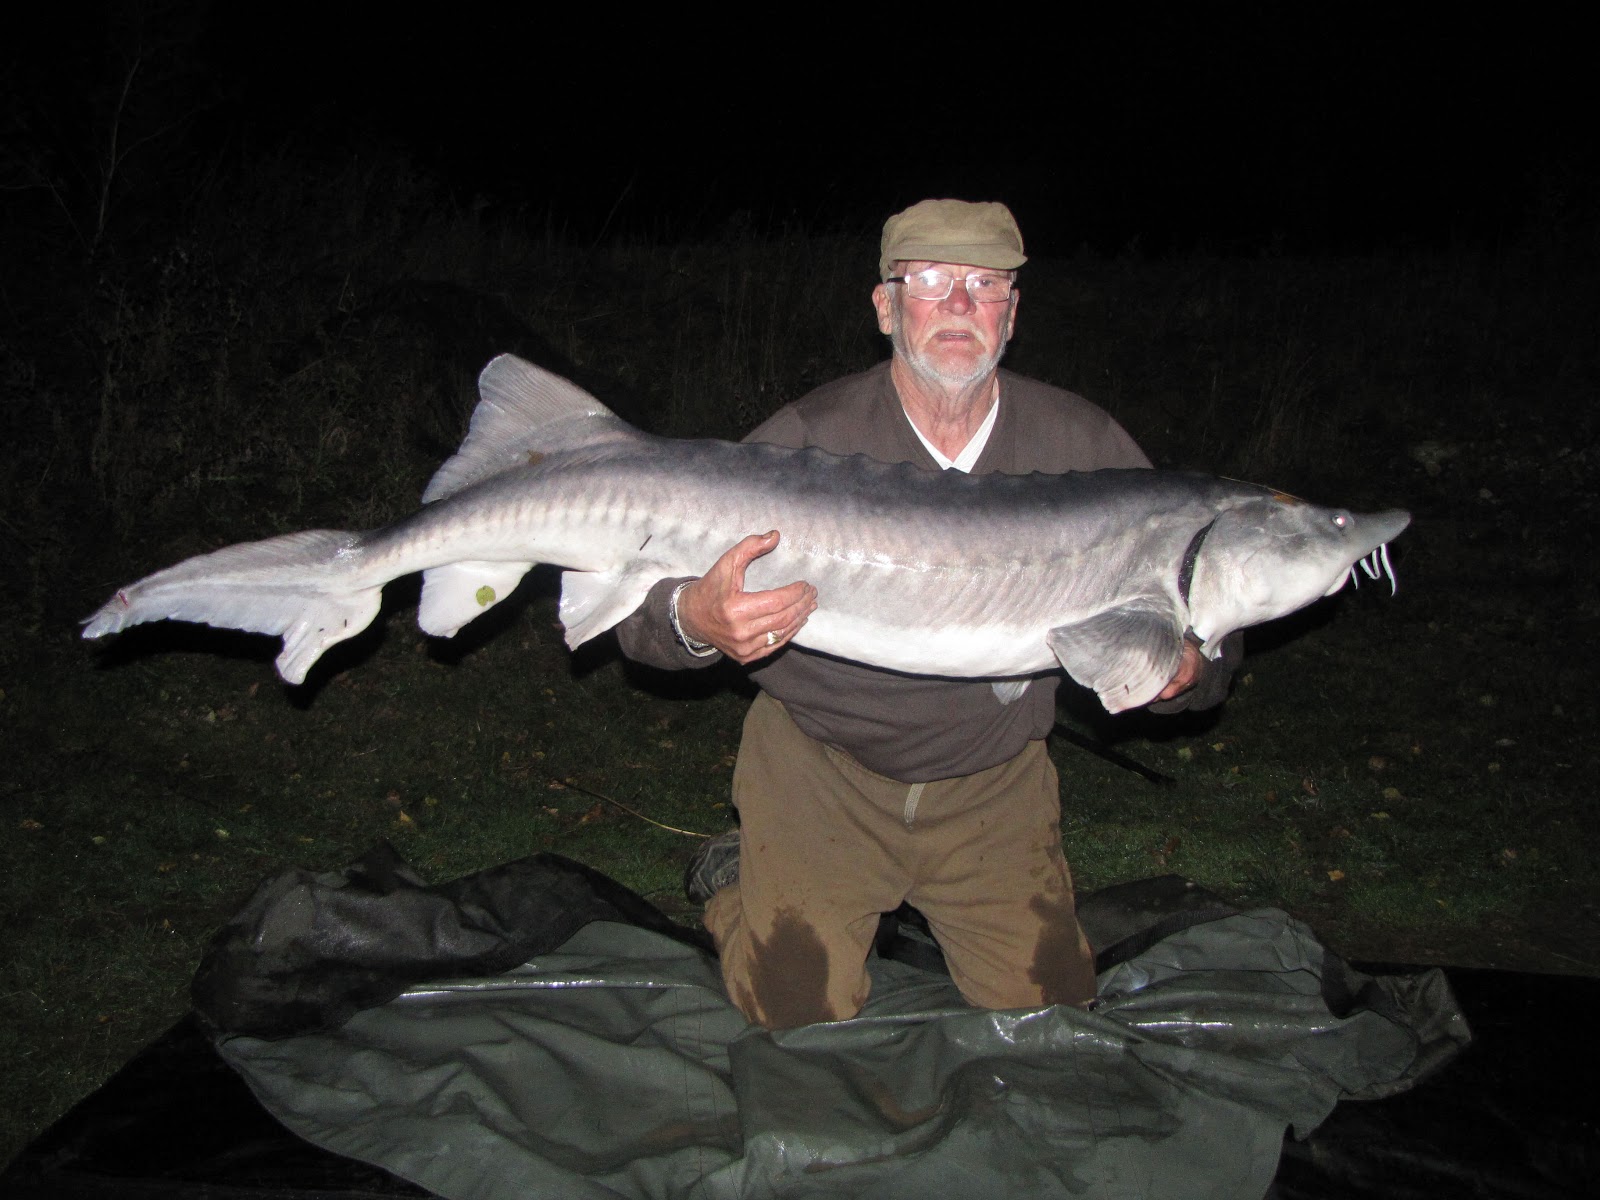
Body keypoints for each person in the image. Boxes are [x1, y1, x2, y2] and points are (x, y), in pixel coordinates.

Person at [616, 199, 1239, 1029]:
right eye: (932, 282)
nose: (958, 305)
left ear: (1012, 314)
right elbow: (635, 620)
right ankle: (743, 889)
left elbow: (1210, 628)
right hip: (821, 770)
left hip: (993, 783)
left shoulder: (1082, 445)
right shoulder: (807, 439)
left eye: (985, 285)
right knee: (796, 1013)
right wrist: (694, 618)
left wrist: (1193, 671)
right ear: (885, 307)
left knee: (1052, 1021)